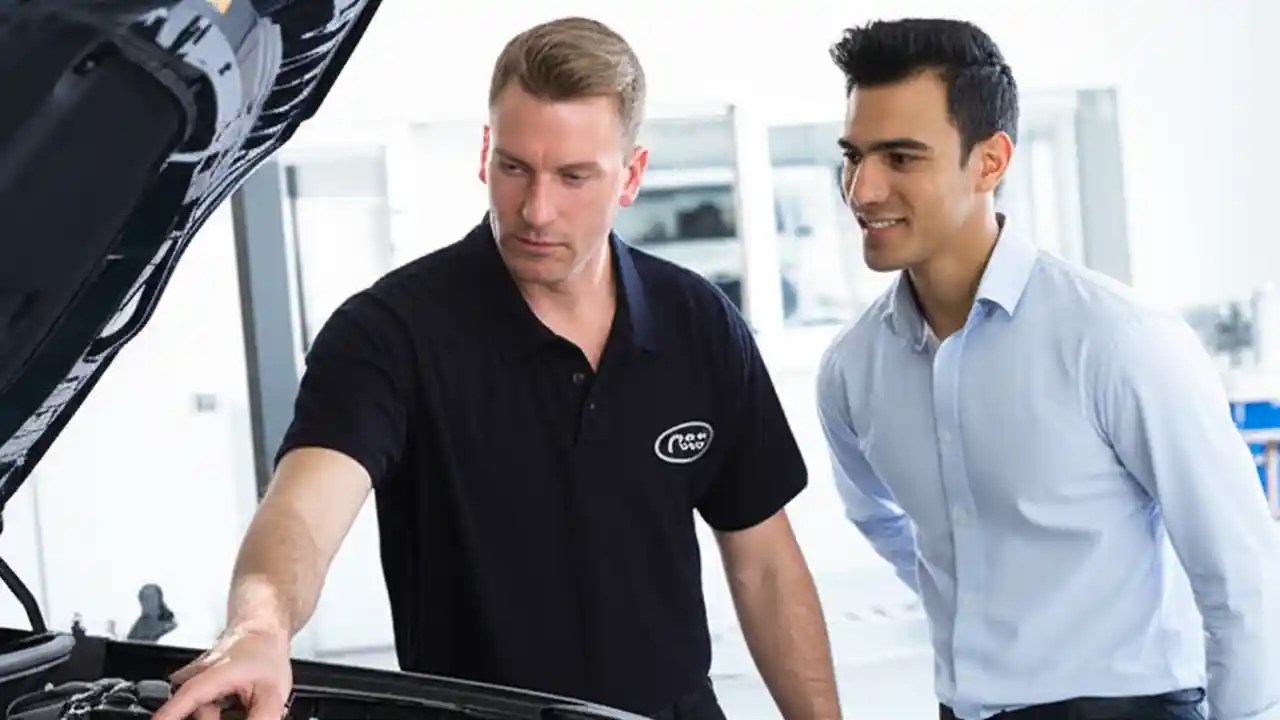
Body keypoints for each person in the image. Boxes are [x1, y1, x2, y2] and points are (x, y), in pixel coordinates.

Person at [154, 15, 841, 720]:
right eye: (515, 168)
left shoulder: (697, 322)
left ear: (631, 175)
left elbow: (765, 568)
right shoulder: (390, 334)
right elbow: (302, 508)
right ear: (486, 152)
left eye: (575, 177)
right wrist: (260, 628)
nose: (536, 210)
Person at [814, 17, 1280, 720]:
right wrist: (985, 599)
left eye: (901, 158)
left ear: (991, 162)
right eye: (853, 156)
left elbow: (1241, 579)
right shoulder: (853, 369)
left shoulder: (1116, 340)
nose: (862, 189)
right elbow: (876, 516)